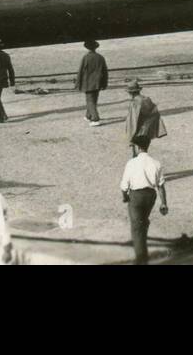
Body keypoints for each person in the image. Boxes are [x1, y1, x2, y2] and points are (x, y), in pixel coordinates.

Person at [120, 135, 167, 265]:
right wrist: (164, 203)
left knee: (136, 227)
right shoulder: (156, 163)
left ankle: (141, 258)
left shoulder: (131, 163)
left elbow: (124, 185)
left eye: (133, 146)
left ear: (138, 147)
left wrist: (125, 197)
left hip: (136, 196)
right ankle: (142, 244)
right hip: (150, 196)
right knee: (143, 220)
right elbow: (161, 186)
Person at [124, 79, 167, 156]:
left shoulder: (135, 103)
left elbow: (133, 121)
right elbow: (155, 114)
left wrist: (131, 138)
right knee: (144, 152)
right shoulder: (147, 100)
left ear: (130, 93)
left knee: (136, 154)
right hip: (147, 131)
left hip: (138, 132)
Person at [74, 39, 109, 126]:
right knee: (94, 99)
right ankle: (88, 115)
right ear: (95, 48)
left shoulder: (86, 57)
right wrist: (104, 83)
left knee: (90, 101)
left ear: (87, 48)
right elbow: (105, 72)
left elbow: (80, 71)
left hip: (88, 83)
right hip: (98, 82)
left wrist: (77, 83)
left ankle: (95, 119)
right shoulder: (101, 57)